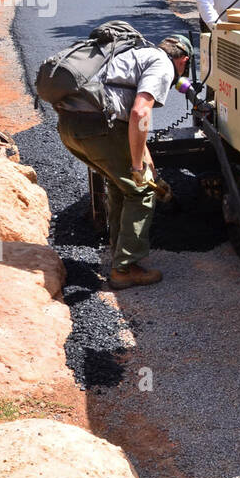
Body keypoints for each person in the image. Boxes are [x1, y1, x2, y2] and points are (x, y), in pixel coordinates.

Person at [56, 33, 193, 290]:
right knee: (140, 192)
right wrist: (137, 168)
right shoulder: (162, 64)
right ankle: (125, 269)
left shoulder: (136, 55)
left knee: (122, 185)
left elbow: (132, 131)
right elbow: (140, 113)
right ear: (183, 61)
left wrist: (149, 169)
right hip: (97, 127)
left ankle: (118, 252)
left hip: (68, 124)